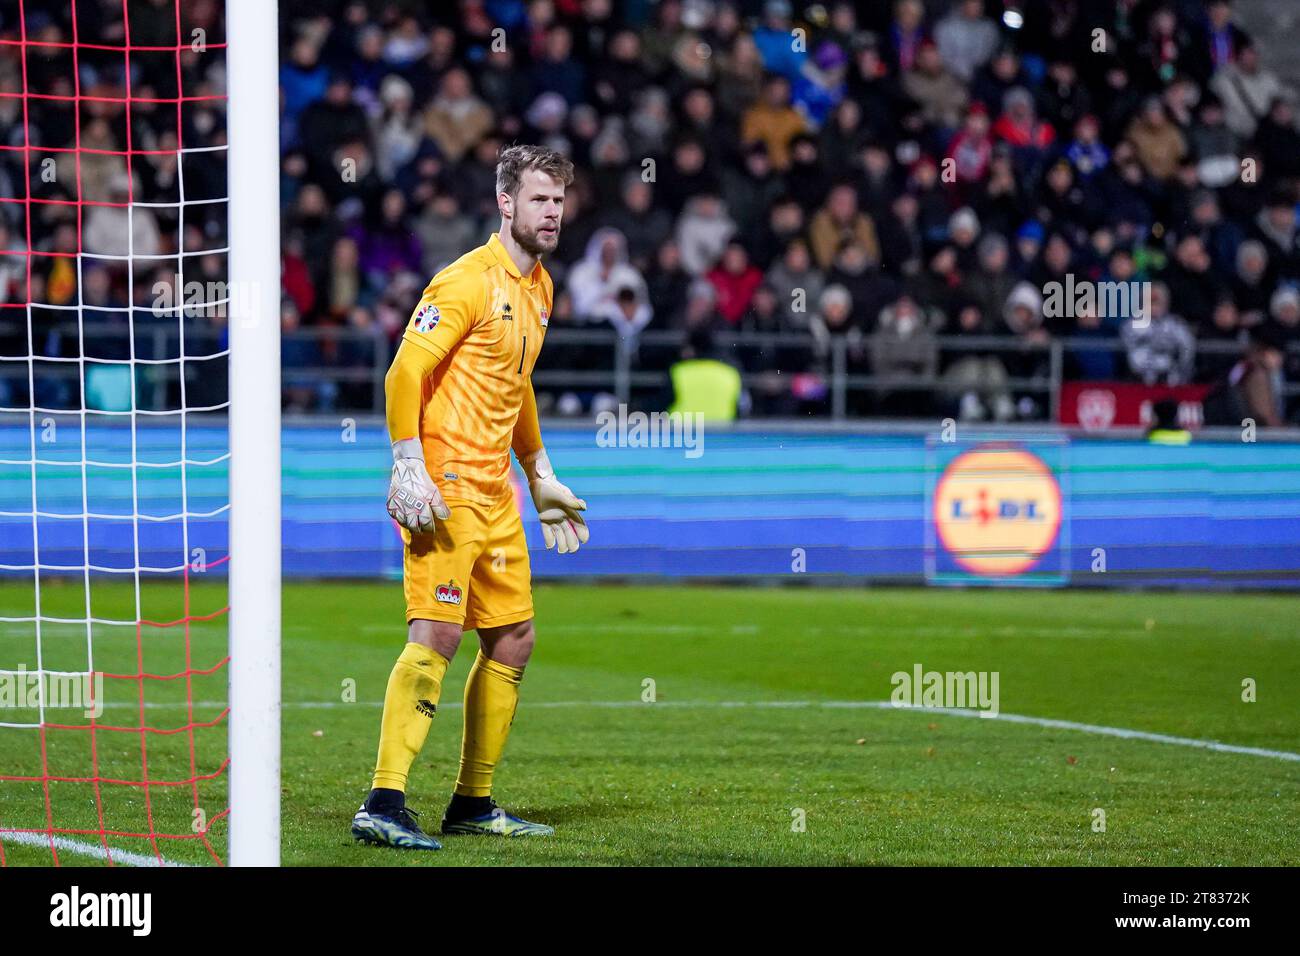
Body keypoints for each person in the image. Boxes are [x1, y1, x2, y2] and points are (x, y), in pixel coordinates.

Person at [352, 145, 588, 850]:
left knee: (514, 637)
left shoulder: (541, 287)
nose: (552, 212)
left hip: (498, 488)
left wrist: (539, 470)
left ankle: (473, 803)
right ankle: (383, 801)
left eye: (559, 200)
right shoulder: (464, 282)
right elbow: (404, 372)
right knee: (439, 632)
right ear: (506, 202)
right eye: (539, 199)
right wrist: (406, 463)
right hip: (445, 479)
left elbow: (514, 387)